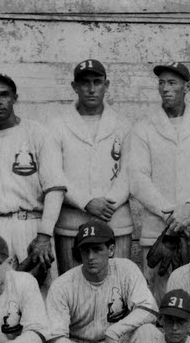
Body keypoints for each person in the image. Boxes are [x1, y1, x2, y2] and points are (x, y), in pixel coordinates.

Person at [128, 62, 190, 297]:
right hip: (160, 228)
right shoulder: (144, 127)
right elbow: (137, 178)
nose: (165, 89)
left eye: (172, 83)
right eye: (161, 83)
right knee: (161, 299)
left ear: (187, 87)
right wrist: (169, 214)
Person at [44, 220, 159, 343]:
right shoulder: (63, 285)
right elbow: (55, 339)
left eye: (97, 249)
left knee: (149, 332)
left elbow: (149, 309)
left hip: (116, 342)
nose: (90, 256)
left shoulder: (126, 269)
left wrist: (114, 331)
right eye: (85, 250)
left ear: (111, 250)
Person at [0, 71, 65, 279]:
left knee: (38, 293)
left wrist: (44, 234)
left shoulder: (37, 133)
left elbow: (55, 188)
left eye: (4, 95)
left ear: (15, 98)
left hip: (30, 225)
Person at [52, 58, 133, 276]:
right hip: (72, 222)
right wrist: (86, 202)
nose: (91, 89)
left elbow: (129, 172)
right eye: (84, 83)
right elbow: (54, 174)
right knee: (73, 290)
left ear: (106, 85)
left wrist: (107, 206)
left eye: (97, 82)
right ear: (74, 86)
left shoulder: (123, 124)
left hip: (114, 221)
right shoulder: (57, 126)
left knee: (118, 291)